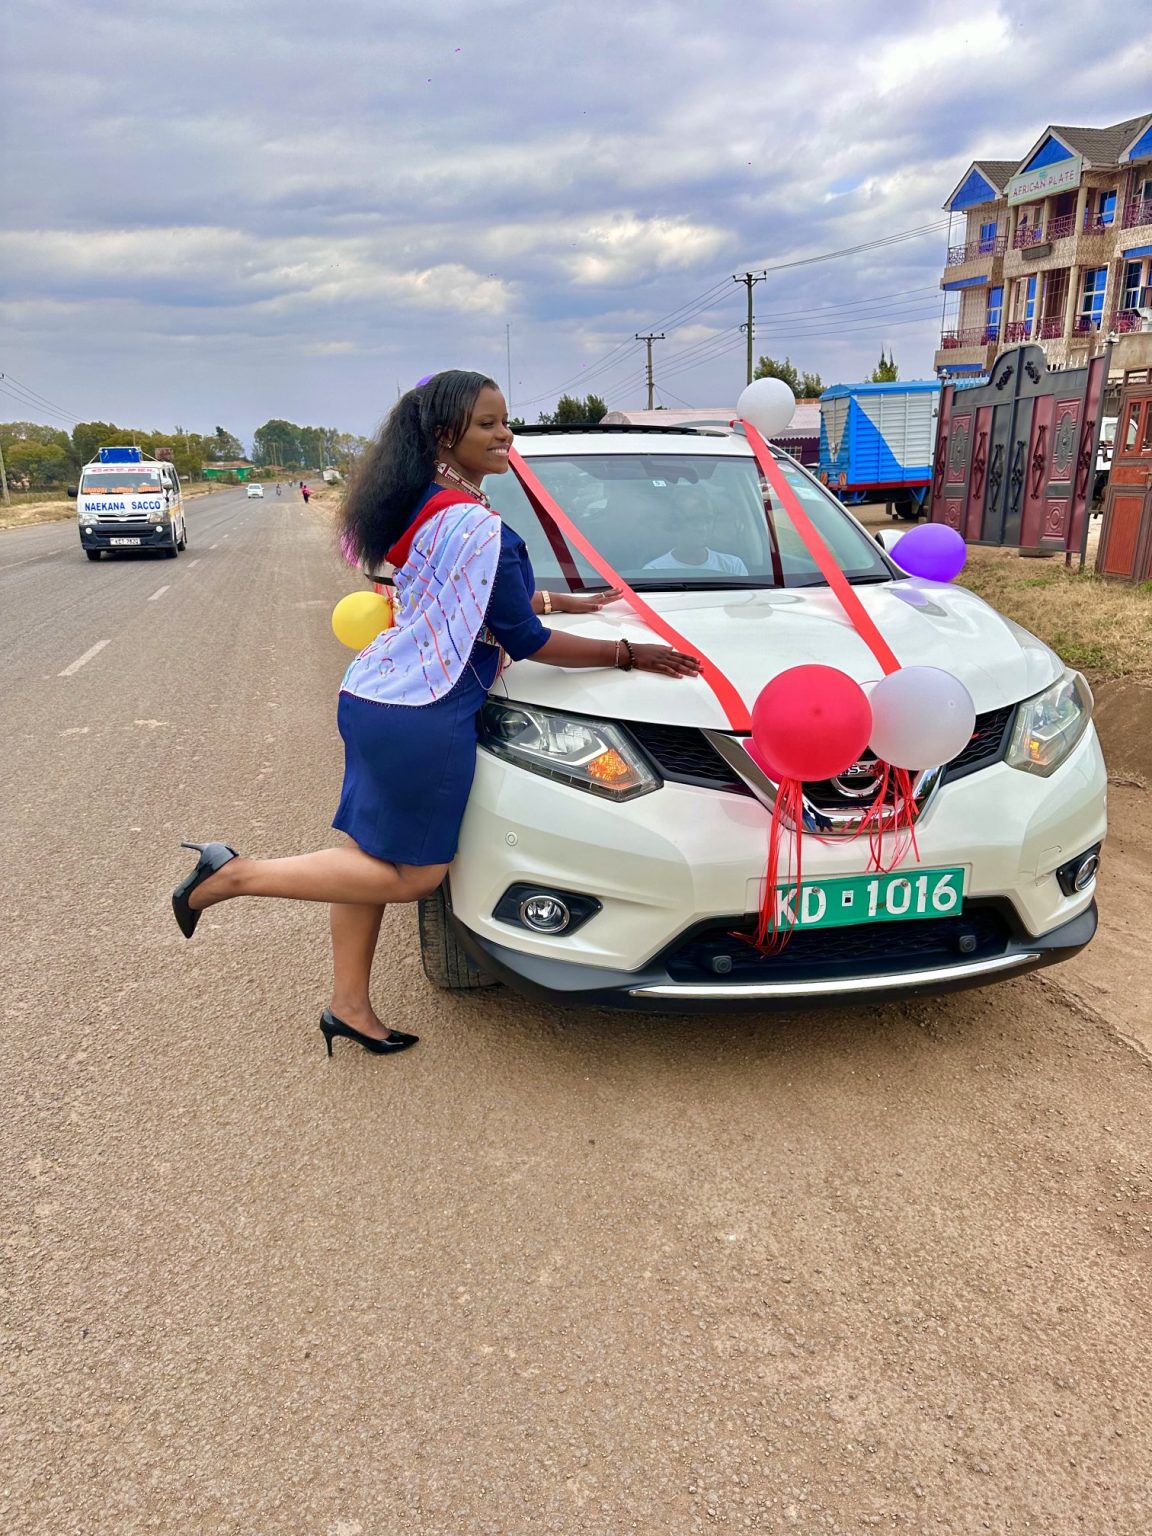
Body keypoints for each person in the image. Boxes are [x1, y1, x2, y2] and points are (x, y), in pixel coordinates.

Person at [171, 370, 701, 1060]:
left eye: (505, 420)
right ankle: (233, 875)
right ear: (445, 436)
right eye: (488, 423)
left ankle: (348, 1006)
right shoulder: (482, 527)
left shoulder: (420, 505)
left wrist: (557, 600)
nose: (505, 433)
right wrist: (630, 654)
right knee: (417, 875)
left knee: (364, 859)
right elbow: (524, 642)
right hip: (425, 711)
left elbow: (462, 598)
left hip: (374, 696)